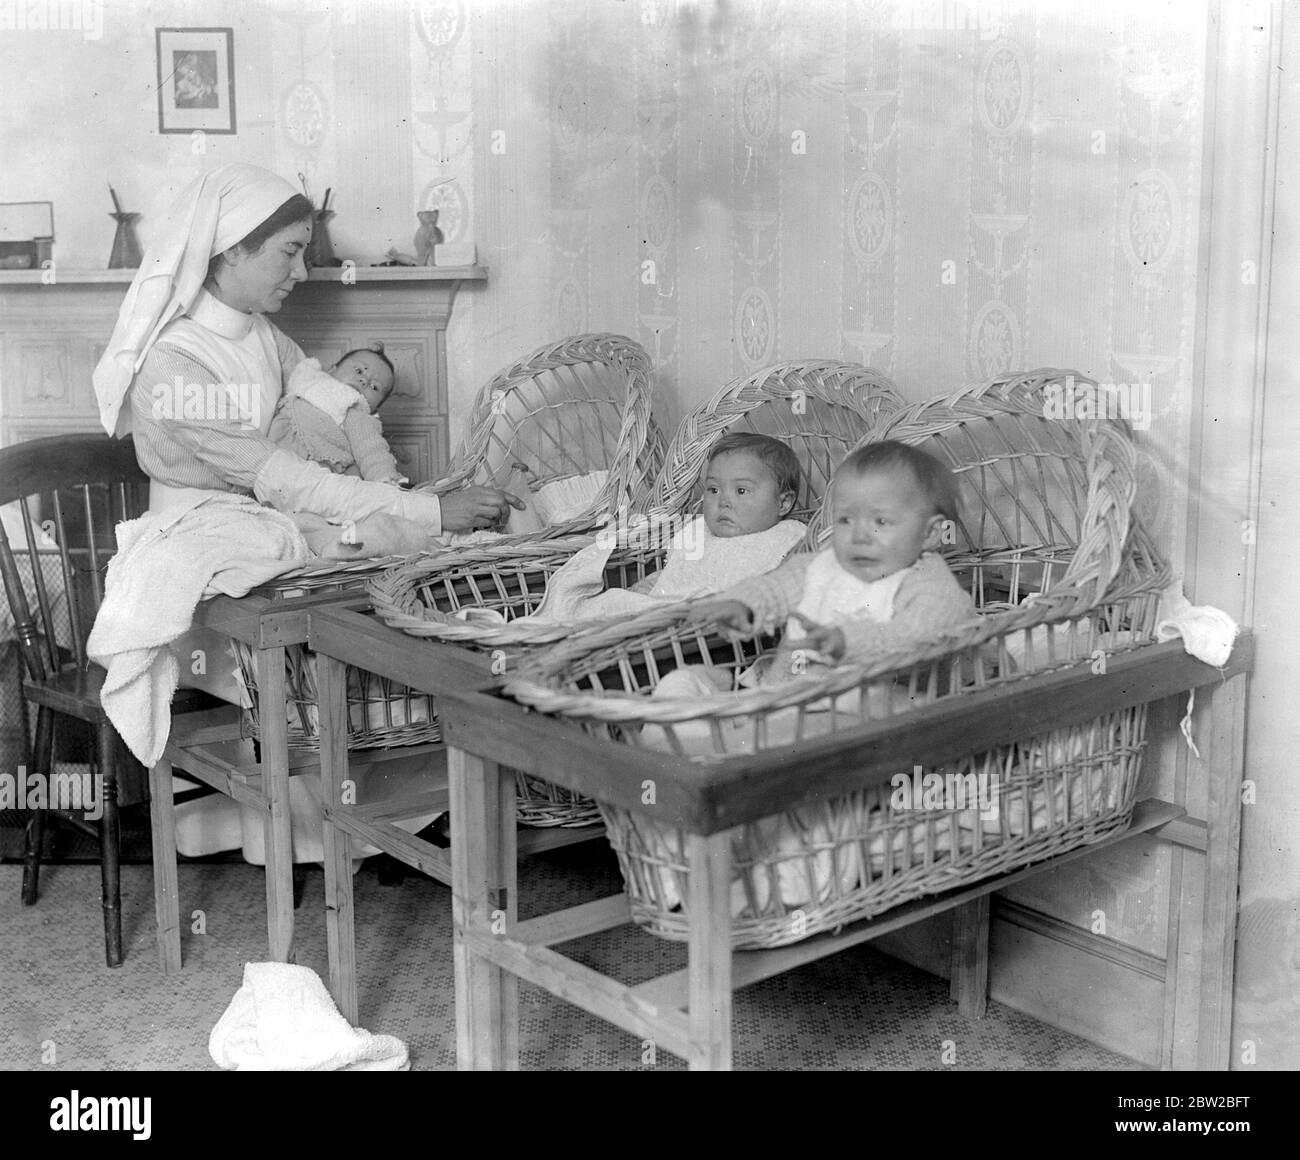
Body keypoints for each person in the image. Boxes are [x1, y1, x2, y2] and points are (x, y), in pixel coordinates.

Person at [92, 162, 521, 533]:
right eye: (290, 251)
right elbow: (279, 474)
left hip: (260, 522)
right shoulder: (173, 361)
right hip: (191, 538)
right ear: (235, 248)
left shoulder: (262, 333)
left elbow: (336, 407)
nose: (302, 272)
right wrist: (433, 512)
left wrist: (415, 495)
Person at [692, 440, 976, 682]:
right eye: (845, 519)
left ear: (929, 533)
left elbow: (917, 636)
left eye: (881, 521)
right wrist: (741, 604)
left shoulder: (929, 585)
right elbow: (774, 588)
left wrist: (846, 642)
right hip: (785, 696)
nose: (859, 536)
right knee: (685, 682)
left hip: (886, 703)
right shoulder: (822, 566)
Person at [267, 345, 406, 485]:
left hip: (319, 471)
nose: (364, 381)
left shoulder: (354, 409)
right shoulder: (306, 381)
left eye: (374, 387)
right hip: (274, 454)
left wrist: (384, 477)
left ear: (375, 408)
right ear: (332, 370)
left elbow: (372, 450)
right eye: (359, 371)